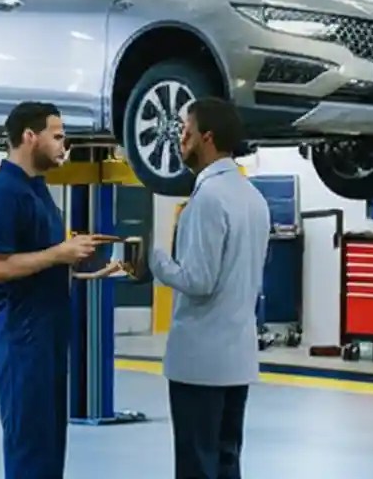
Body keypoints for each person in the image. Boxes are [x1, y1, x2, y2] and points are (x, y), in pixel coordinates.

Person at [0, 101, 111, 478]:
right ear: (29, 137)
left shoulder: (38, 191)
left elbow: (46, 259)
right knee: (29, 445)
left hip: (49, 336)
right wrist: (59, 253)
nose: (63, 146)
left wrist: (84, 263)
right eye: (58, 137)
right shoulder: (1, 193)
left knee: (50, 445)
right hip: (23, 340)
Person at [150, 97, 271, 479]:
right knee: (225, 460)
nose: (180, 138)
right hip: (237, 360)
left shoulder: (208, 200)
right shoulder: (254, 198)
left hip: (200, 364)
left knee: (196, 464)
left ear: (207, 137)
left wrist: (152, 259)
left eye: (185, 130)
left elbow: (198, 281)